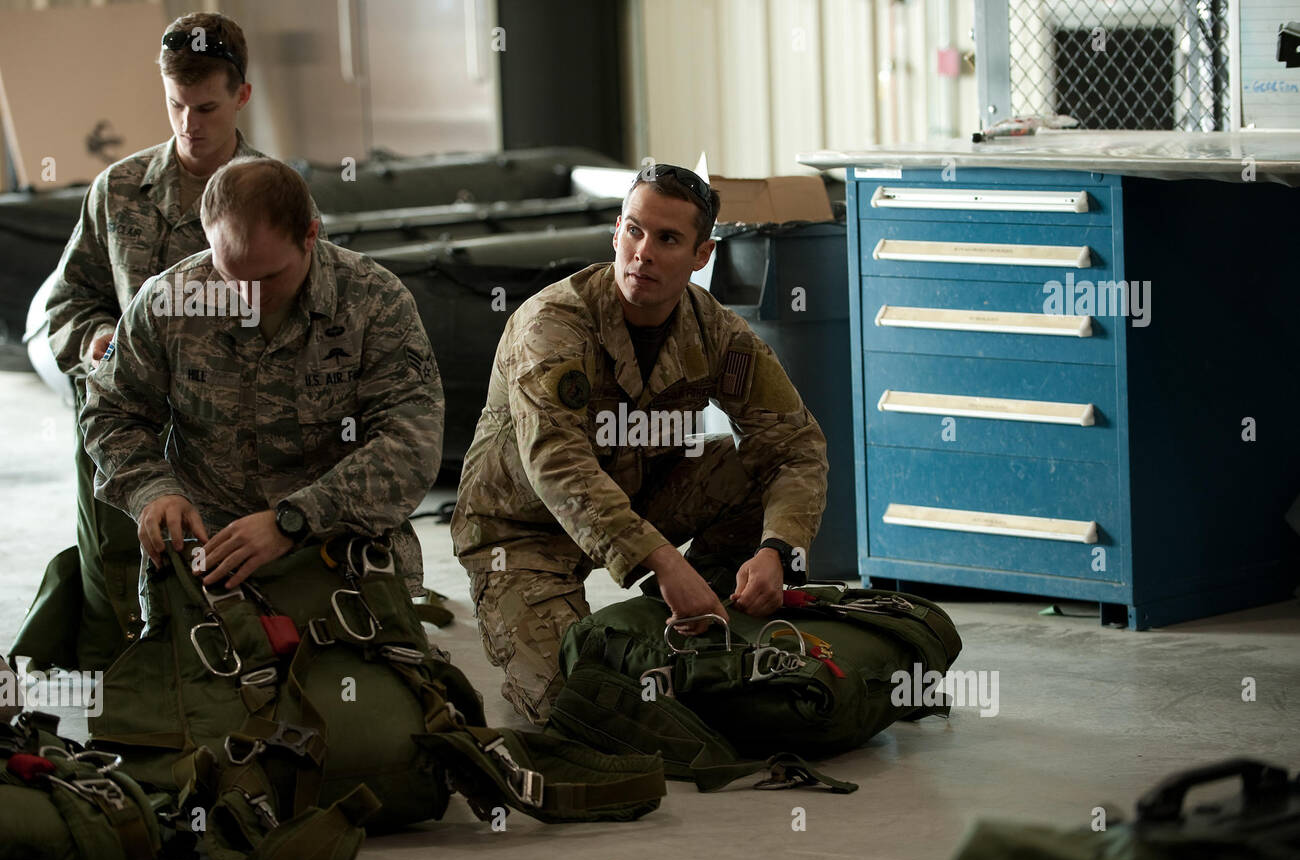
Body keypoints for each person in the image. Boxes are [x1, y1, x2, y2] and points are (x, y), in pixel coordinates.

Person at [451, 163, 829, 724]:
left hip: (641, 497)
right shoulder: (553, 325)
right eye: (633, 230)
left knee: (756, 469)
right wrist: (662, 561)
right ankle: (657, 617)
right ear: (616, 232)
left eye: (668, 239)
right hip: (525, 530)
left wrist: (778, 549)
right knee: (582, 707)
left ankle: (698, 624)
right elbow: (558, 465)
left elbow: (795, 444)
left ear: (703, 256)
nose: (642, 252)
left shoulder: (715, 331)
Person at [16, 13, 285, 671]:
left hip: (241, 409)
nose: (189, 123)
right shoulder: (121, 191)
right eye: (174, 105)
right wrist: (99, 340)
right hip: (140, 402)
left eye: (206, 107)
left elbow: (312, 311)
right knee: (101, 429)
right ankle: (114, 650)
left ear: (242, 97)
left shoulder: (275, 195)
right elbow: (68, 300)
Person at [81, 157, 443, 602]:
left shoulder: (374, 301)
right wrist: (154, 491)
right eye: (231, 275)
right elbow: (112, 411)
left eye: (269, 277)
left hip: (342, 543)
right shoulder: (170, 301)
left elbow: (411, 446)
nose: (248, 297)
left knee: (363, 667)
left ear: (310, 235)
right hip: (210, 549)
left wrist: (293, 520)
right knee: (191, 668)